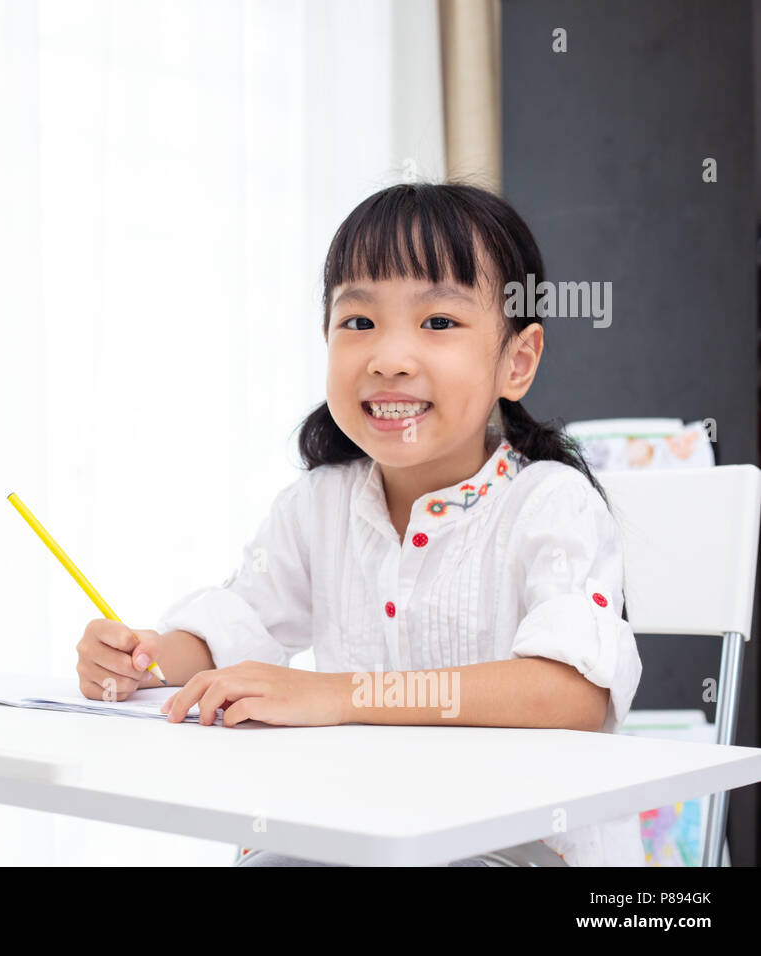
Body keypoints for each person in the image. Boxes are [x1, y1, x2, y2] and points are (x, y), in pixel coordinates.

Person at [74, 181, 644, 867]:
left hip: (515, 851)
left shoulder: (552, 504)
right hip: (355, 837)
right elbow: (236, 625)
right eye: (359, 322)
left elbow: (571, 694)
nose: (389, 357)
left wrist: (334, 695)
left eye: (438, 323)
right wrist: (147, 660)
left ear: (516, 361)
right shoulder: (318, 505)